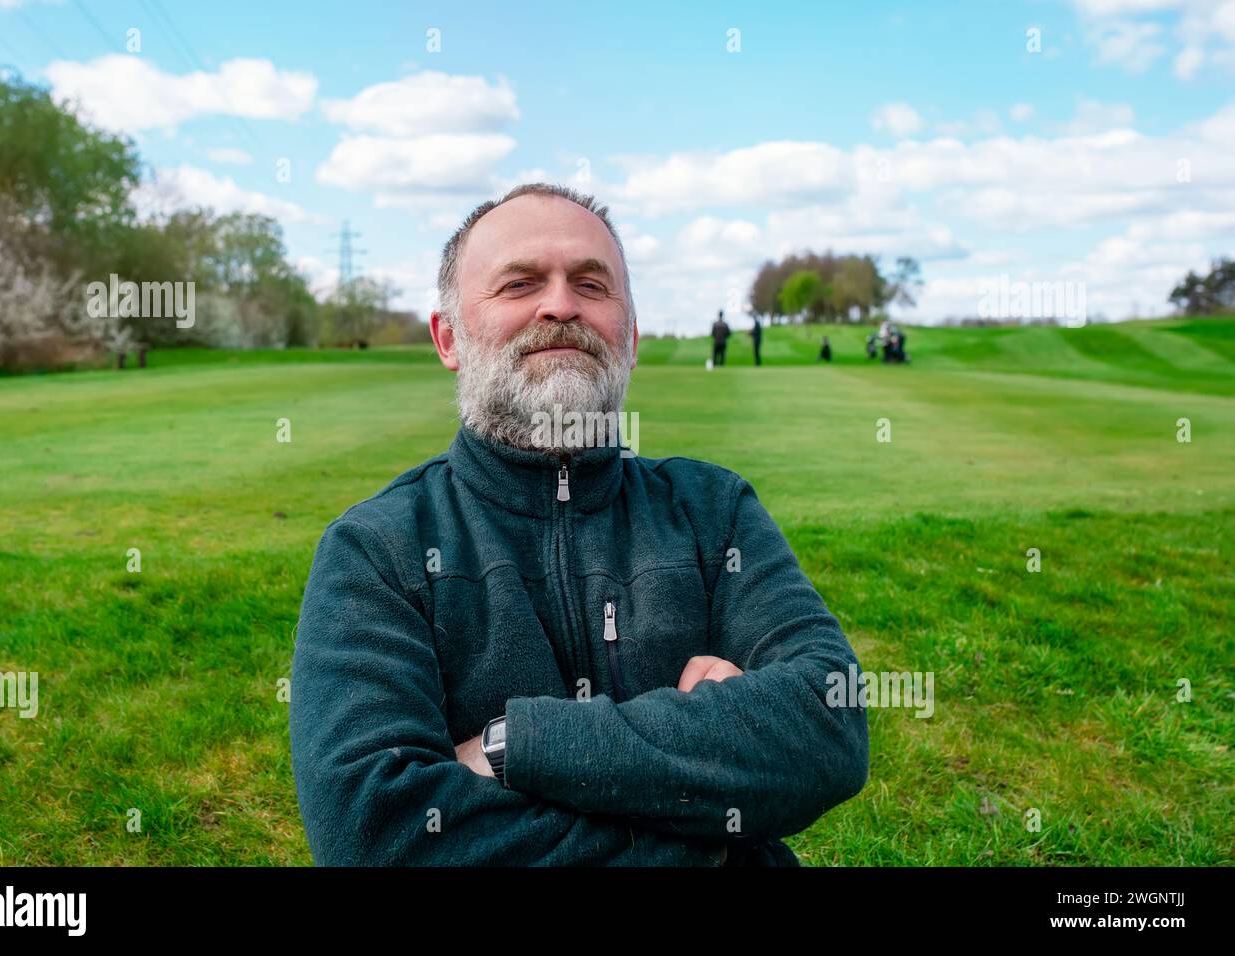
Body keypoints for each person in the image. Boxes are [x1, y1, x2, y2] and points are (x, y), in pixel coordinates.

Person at [289, 182, 869, 867]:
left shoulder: (714, 510)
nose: (561, 304)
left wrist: (514, 745)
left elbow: (829, 722)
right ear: (448, 337)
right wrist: (711, 814)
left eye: (591, 284)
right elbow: (374, 835)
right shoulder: (379, 550)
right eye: (520, 283)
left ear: (629, 333)